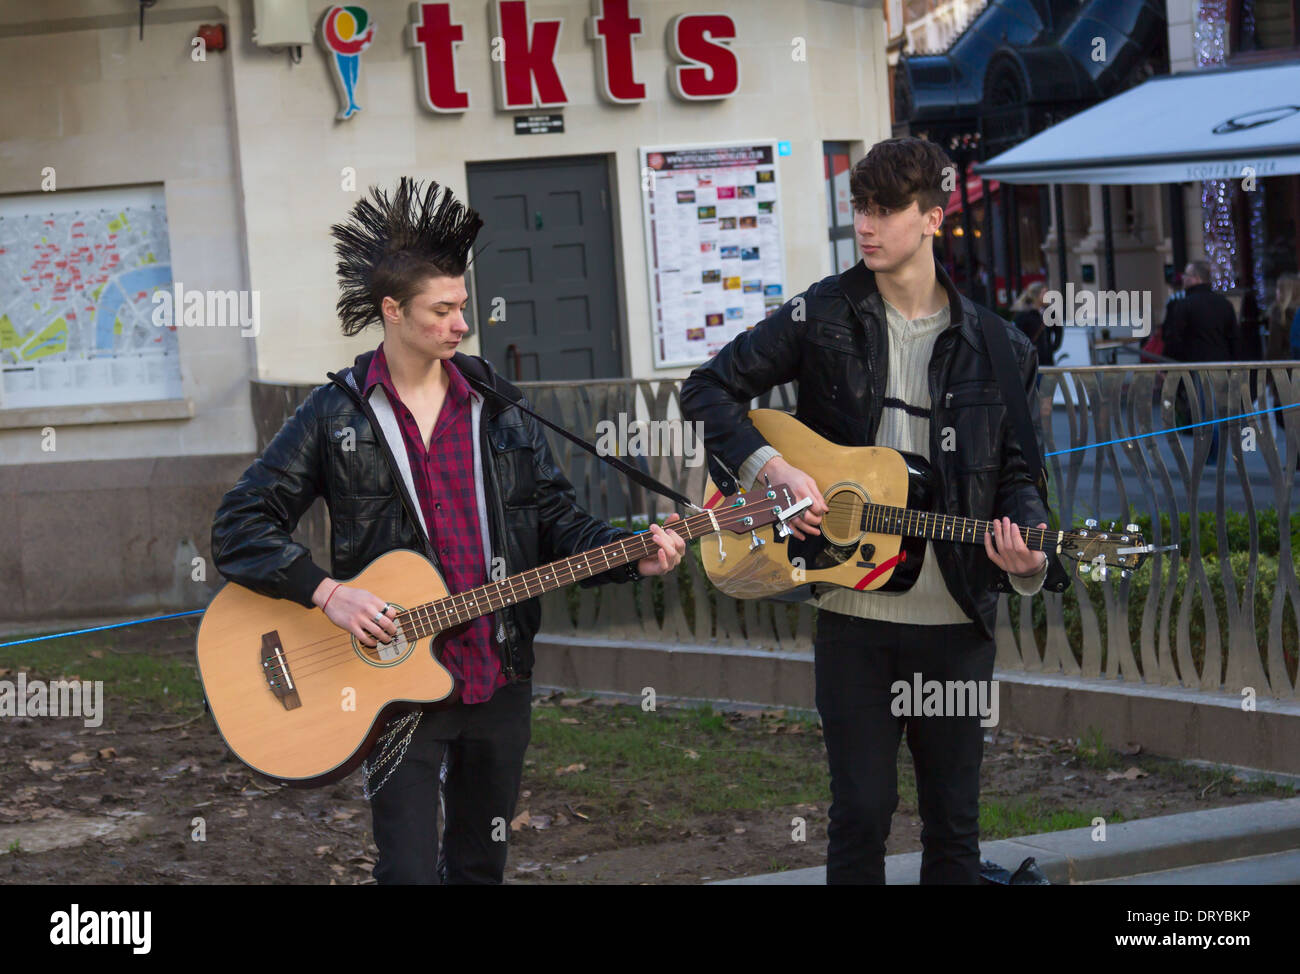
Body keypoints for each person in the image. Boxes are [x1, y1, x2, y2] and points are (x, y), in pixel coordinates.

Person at [210, 178, 685, 884]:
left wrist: (631, 554)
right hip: (394, 690)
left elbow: (555, 520)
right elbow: (239, 526)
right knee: (406, 872)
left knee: (479, 864)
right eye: (444, 311)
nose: (462, 324)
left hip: (498, 675)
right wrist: (329, 594)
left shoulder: (498, 407)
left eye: (463, 307)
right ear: (393, 311)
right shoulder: (335, 416)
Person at [680, 137, 1060, 885]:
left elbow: (1020, 476)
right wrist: (774, 469)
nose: (866, 224)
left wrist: (1030, 560)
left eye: (885, 210)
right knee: (860, 816)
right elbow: (707, 389)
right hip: (853, 618)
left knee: (954, 831)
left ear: (933, 218)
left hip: (956, 625)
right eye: (860, 207)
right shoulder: (823, 312)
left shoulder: (1001, 345)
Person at [1161, 260, 1238, 463]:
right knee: (1217, 411)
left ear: (1196, 278)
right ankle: (1216, 455)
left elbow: (1174, 338)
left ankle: (1211, 457)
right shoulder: (1224, 304)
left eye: (1186, 275)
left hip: (1198, 365)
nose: (1183, 279)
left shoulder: (1184, 305)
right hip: (1223, 364)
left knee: (1205, 412)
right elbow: (1234, 338)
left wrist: (1169, 365)